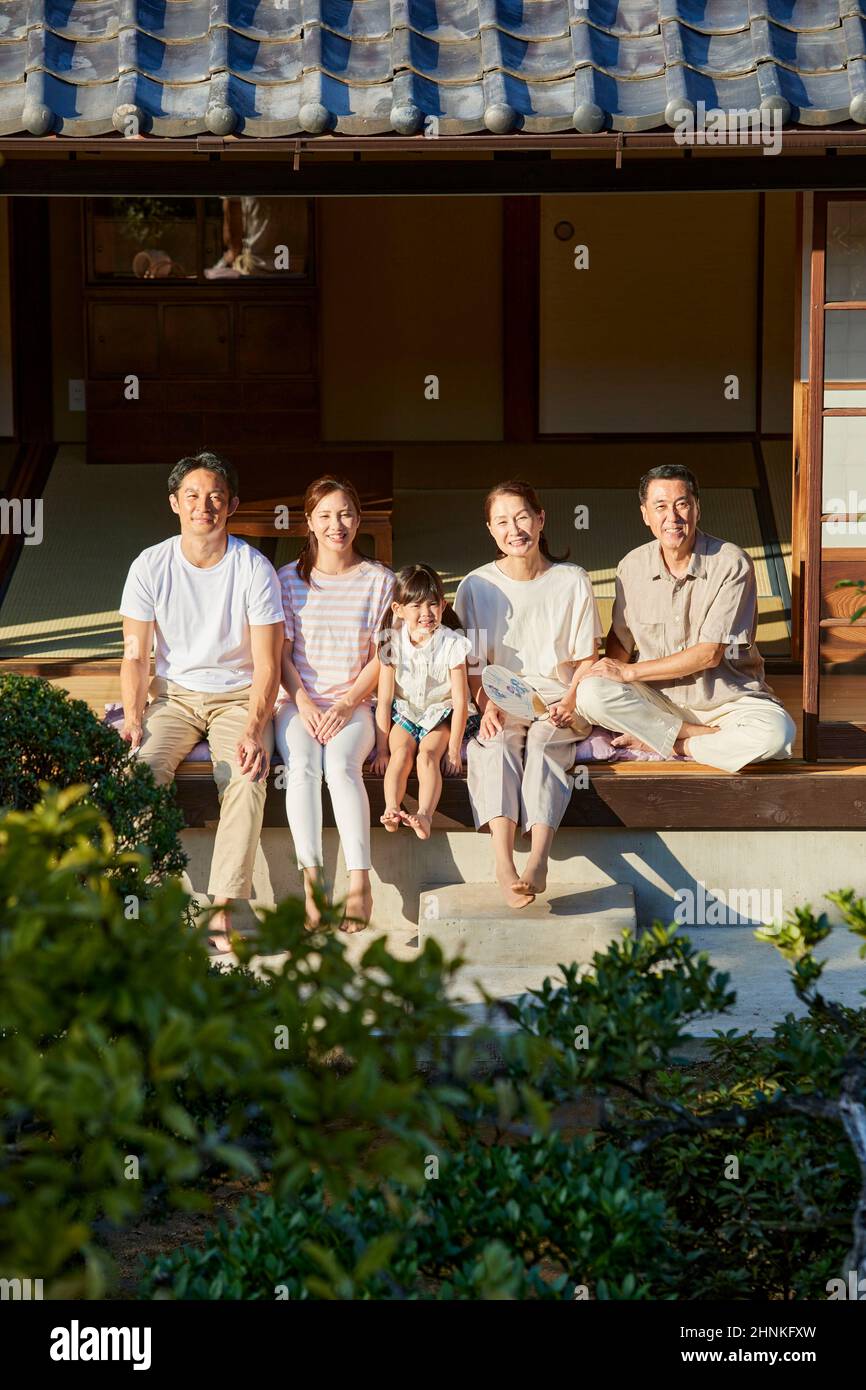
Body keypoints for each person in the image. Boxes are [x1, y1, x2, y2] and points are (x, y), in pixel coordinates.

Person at [118, 451, 285, 954]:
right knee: (140, 771)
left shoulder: (253, 568)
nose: (203, 505)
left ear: (231, 504)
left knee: (246, 773)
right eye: (192, 495)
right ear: (175, 503)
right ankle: (138, 901)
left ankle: (223, 909)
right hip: (174, 696)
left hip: (239, 695)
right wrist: (131, 716)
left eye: (215, 496)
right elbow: (134, 655)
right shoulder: (151, 563)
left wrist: (256, 726)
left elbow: (269, 664)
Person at [574, 464, 796, 770]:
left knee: (777, 735)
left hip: (725, 700)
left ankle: (676, 744)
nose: (673, 517)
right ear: (645, 515)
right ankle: (704, 740)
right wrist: (610, 675)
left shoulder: (732, 563)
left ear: (697, 509)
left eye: (682, 504)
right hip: (656, 701)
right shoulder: (631, 566)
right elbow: (621, 639)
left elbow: (709, 655)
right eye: (661, 506)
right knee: (590, 694)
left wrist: (628, 674)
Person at [454, 480, 603, 910]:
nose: (514, 529)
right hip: (501, 696)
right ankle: (503, 864)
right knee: (494, 742)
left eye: (522, 517)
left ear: (540, 520)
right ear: (490, 529)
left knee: (542, 741)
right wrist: (486, 706)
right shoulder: (476, 586)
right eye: (502, 521)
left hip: (560, 698)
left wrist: (571, 702)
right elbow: (471, 665)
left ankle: (538, 857)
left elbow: (585, 660)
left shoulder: (571, 580)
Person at [274, 477, 394, 931]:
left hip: (355, 703)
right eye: (324, 515)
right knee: (303, 764)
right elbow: (281, 654)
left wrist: (346, 704)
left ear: (358, 519)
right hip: (297, 702)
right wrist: (302, 702)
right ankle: (313, 886)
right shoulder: (287, 580)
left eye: (345, 514)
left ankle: (359, 883)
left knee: (341, 764)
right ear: (308, 522)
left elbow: (385, 657)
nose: (336, 525)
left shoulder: (381, 581)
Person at [372, 564, 478, 840]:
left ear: (443, 605)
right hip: (406, 711)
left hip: (439, 712)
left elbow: (460, 697)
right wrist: (381, 749)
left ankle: (425, 815)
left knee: (427, 755)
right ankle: (392, 809)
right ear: (398, 609)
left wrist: (454, 748)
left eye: (433, 605)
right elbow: (384, 700)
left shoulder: (453, 644)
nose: (426, 613)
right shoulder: (391, 643)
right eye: (416, 605)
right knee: (400, 755)